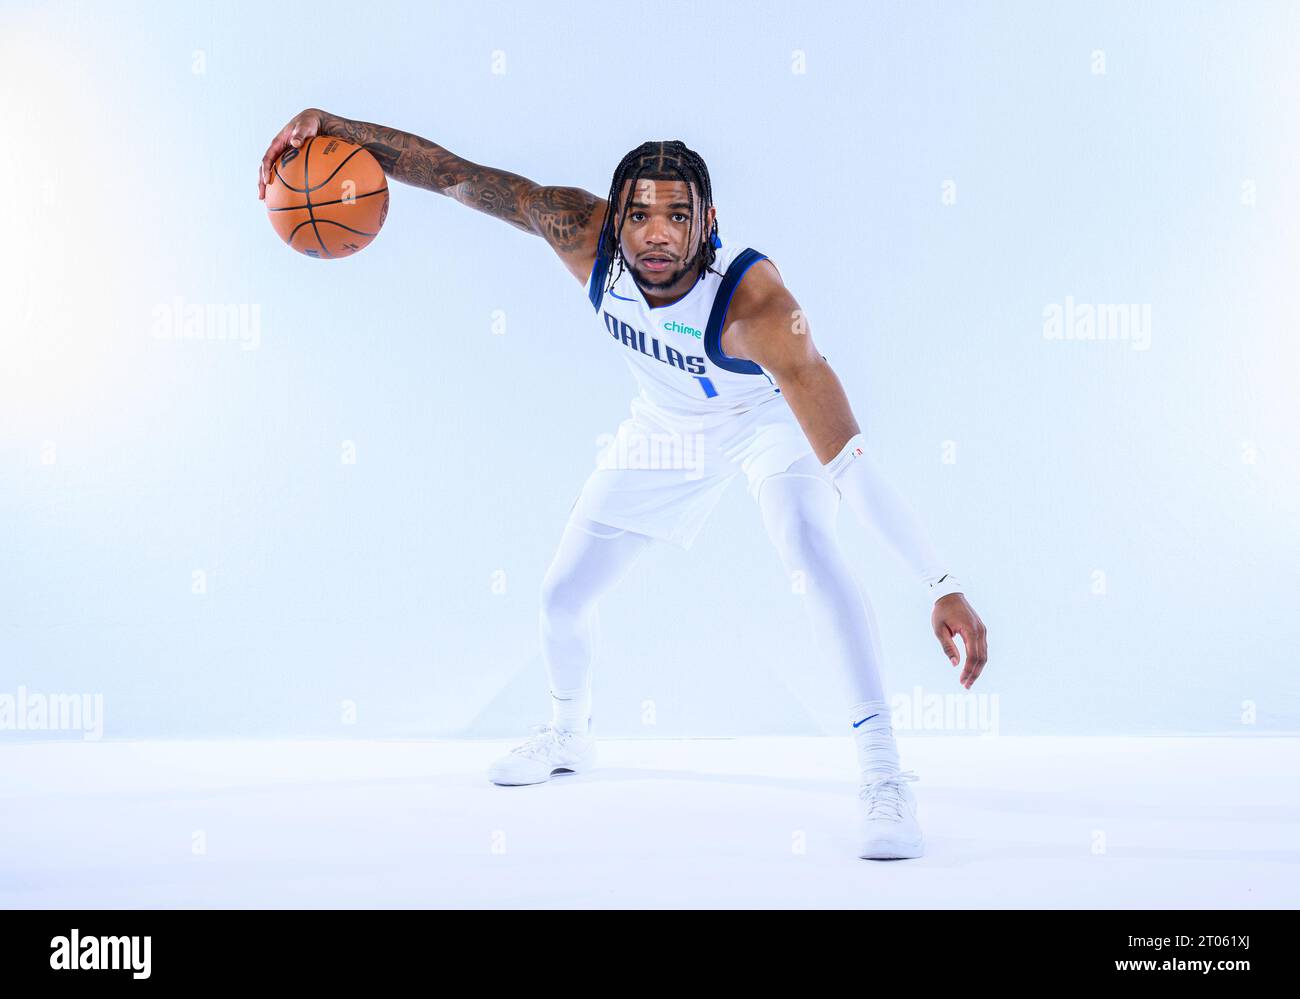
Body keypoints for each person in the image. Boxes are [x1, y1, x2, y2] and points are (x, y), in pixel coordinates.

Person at [259, 110, 990, 859]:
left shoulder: (760, 311)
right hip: (665, 430)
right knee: (561, 594)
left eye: (678, 214)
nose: (657, 233)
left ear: (710, 222)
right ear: (616, 221)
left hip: (765, 424)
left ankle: (882, 772)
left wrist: (939, 580)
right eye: (638, 213)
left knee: (808, 543)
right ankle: (569, 733)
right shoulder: (580, 234)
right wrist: (333, 125)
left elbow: (851, 465)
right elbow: (457, 177)